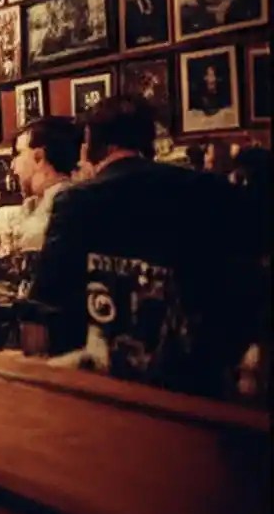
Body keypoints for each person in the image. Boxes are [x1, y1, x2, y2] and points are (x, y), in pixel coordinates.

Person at [30, 95, 258, 397]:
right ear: (148, 142)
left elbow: (47, 296)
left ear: (92, 144)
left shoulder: (76, 201)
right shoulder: (211, 189)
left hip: (101, 384)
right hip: (196, 382)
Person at [0, 117, 82, 259]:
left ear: (39, 157)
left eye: (18, 154)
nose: (13, 166)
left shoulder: (66, 209)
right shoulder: (20, 213)